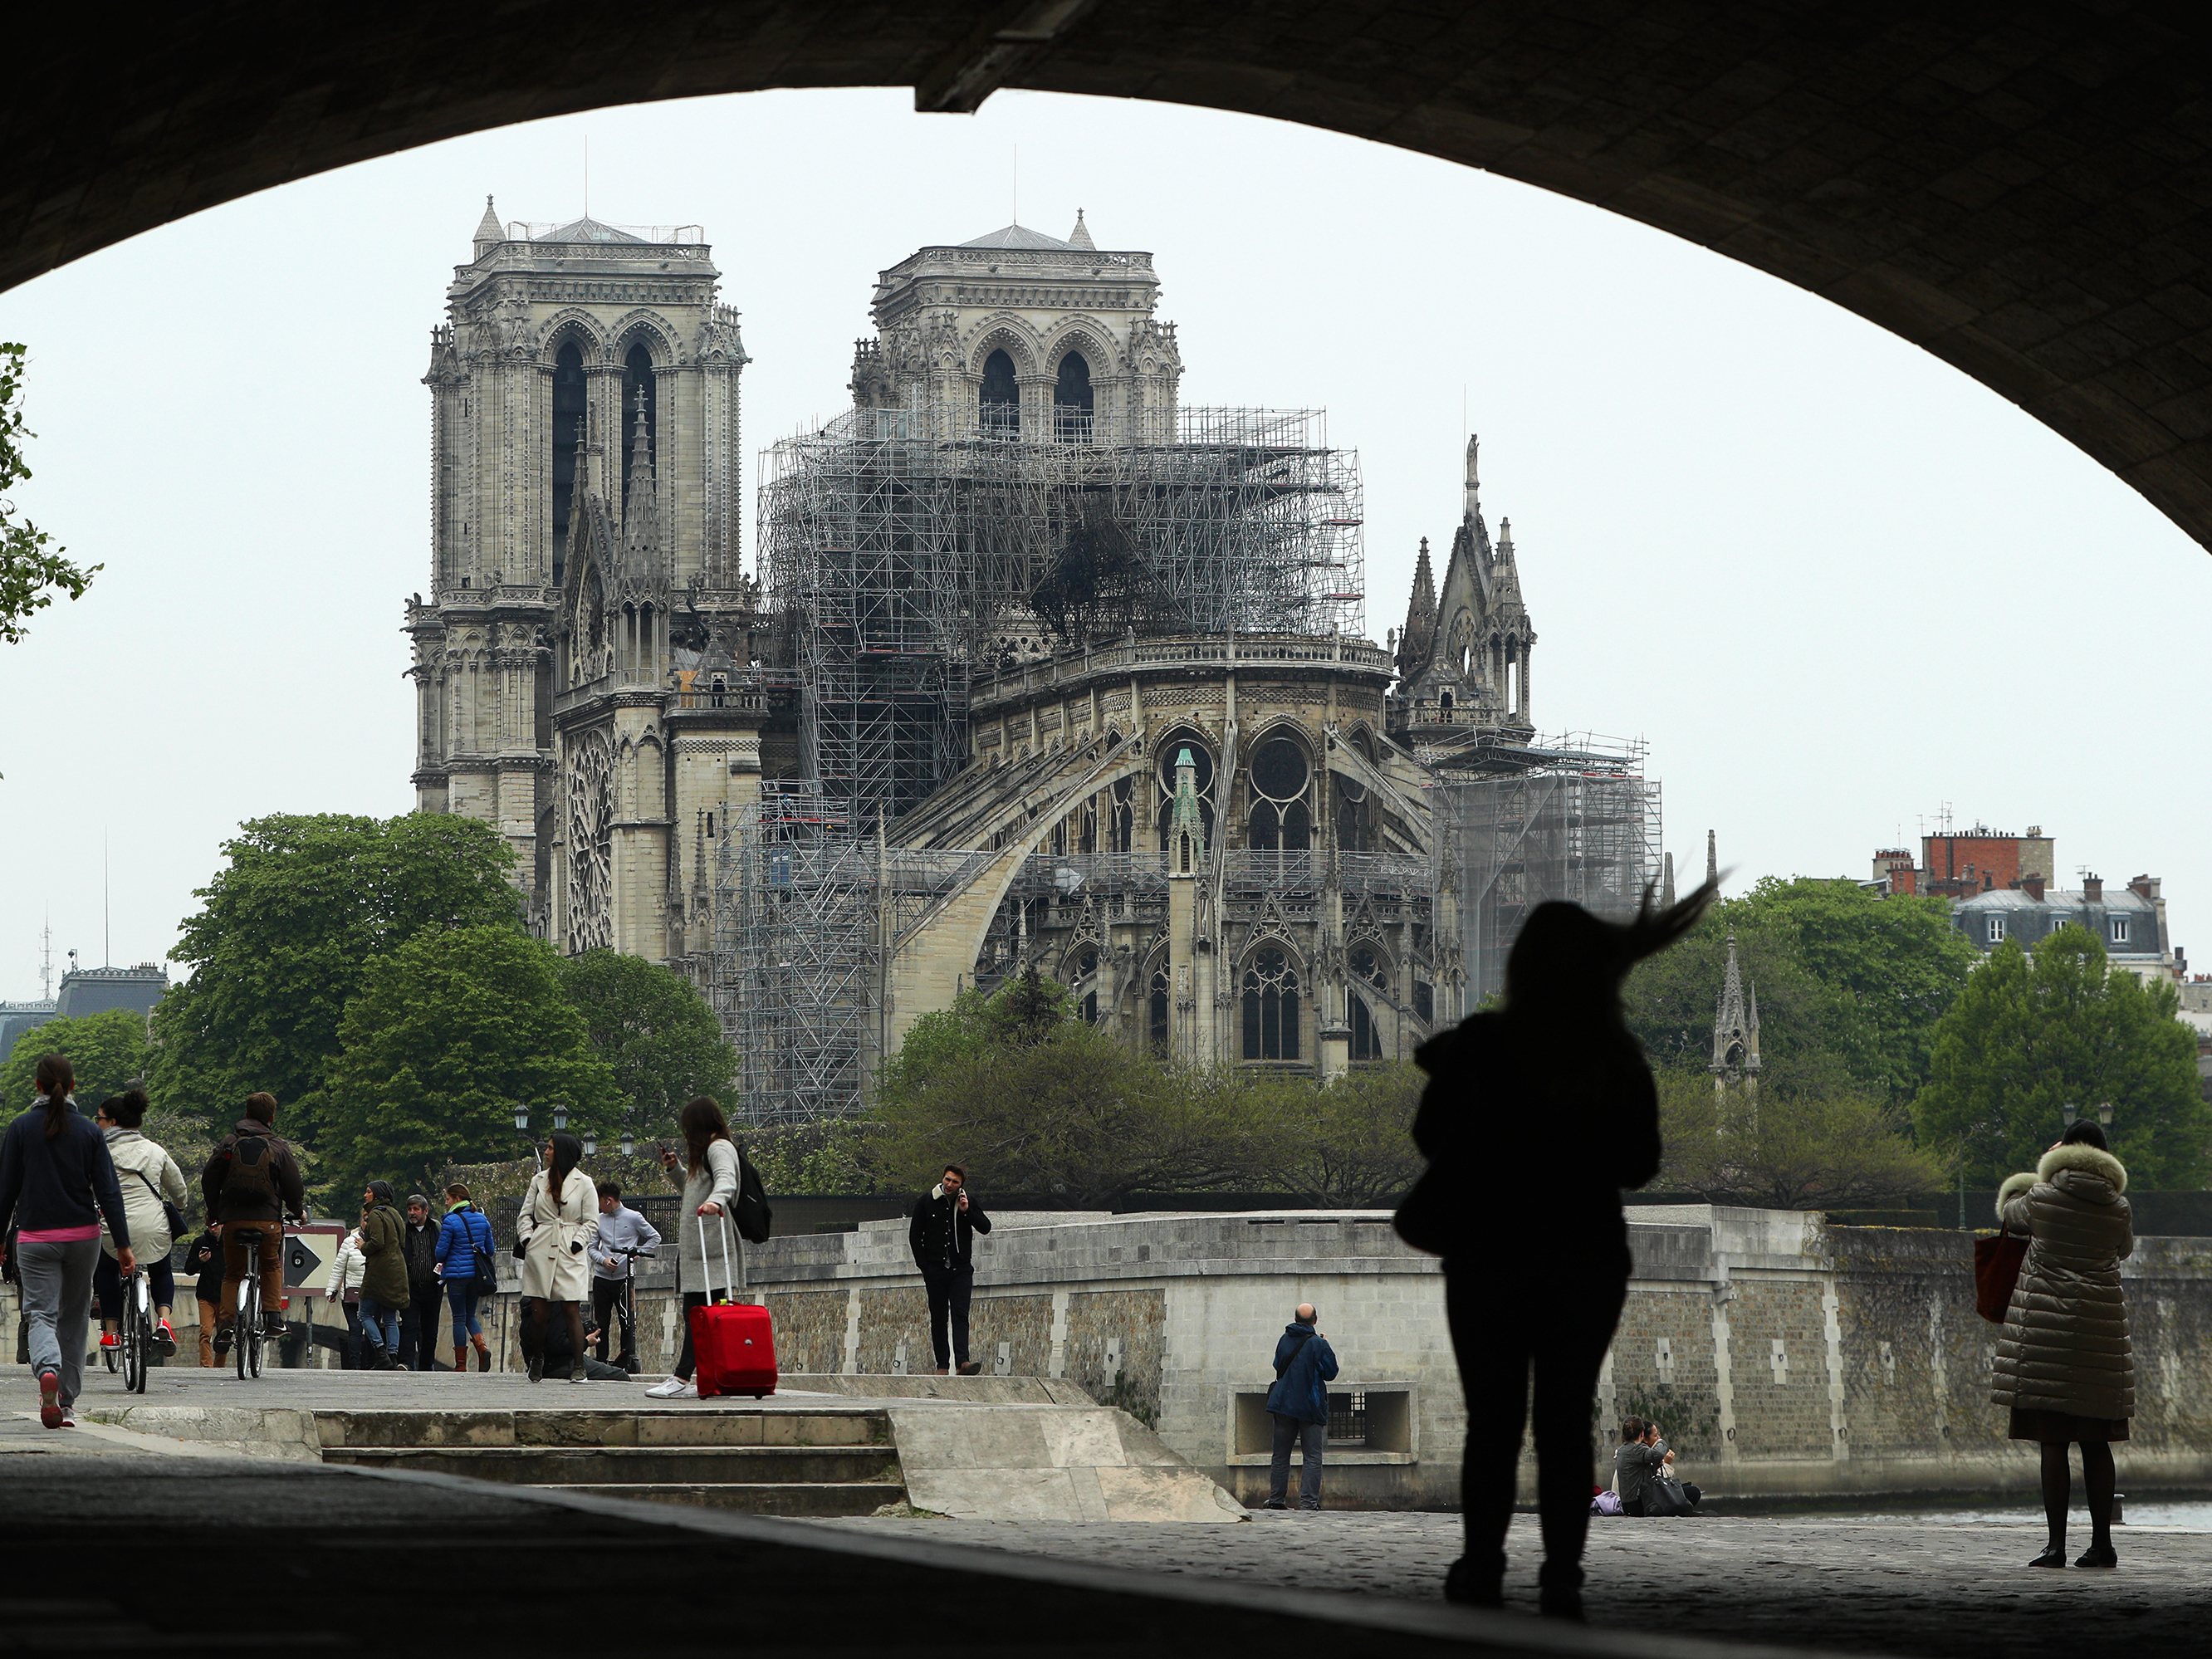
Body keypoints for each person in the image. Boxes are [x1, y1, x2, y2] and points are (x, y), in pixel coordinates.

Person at [1401, 880, 1714, 1618]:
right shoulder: (1612, 1058)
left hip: (1489, 1253)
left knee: (1494, 1422)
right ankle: (1562, 1576)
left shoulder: (1482, 1047)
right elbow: (1640, 1164)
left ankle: (1482, 1567)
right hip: (1583, 1257)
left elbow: (1426, 1138)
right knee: (1566, 1421)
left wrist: (1459, 1069)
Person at [1993, 1117, 2134, 1569]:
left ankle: (2055, 1546)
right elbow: (2124, 1249)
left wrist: (2042, 1172)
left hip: (2045, 1338)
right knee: (2097, 1444)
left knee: (2052, 1444)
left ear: (2064, 1151)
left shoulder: (2042, 1197)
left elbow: (2009, 1213)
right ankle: (2103, 1544)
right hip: (2099, 1338)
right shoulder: (2119, 1207)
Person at [0, 1055, 135, 1429]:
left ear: (38, 1087)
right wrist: (122, 1244)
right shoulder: (90, 1133)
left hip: (35, 1237)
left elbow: (5, 1192)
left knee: (41, 1312)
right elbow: (109, 1193)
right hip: (83, 1237)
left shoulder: (21, 1129)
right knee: (74, 1320)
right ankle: (67, 1402)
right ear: (73, 1087)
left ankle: (47, 1370)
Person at [645, 1097, 742, 1400]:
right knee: (704, 1313)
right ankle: (714, 1375)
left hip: (710, 1249)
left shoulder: (718, 1148)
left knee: (698, 1313)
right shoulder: (707, 1152)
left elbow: (727, 1179)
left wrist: (717, 1200)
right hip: (702, 1249)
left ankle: (682, 1376)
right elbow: (695, 1189)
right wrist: (676, 1170)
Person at [202, 1092, 306, 1358]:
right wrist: (298, 1212)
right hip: (268, 1221)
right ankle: (272, 1317)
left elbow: (209, 1178)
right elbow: (294, 1186)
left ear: (246, 1114)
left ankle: (225, 1324)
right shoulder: (279, 1147)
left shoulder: (229, 1143)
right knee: (270, 1264)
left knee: (233, 1274)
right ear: (271, 1117)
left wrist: (214, 1212)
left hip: (233, 1221)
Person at [91, 1088, 188, 1358]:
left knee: (107, 1269)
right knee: (161, 1269)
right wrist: (179, 1206)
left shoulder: (101, 1152)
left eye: (99, 1119)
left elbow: (86, 1188)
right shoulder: (155, 1151)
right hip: (153, 1227)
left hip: (115, 1228)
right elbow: (178, 1187)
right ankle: (164, 1320)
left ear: (112, 1123)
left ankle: (111, 1330)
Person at [516, 1132, 597, 1384]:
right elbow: (525, 1214)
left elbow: (592, 1220)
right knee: (540, 1312)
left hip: (570, 1247)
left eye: (550, 1148)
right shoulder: (538, 1180)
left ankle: (578, 1365)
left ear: (561, 1152)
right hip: (541, 1246)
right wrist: (528, 1239)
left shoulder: (585, 1183)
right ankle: (538, 1357)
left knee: (571, 1307)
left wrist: (577, 1242)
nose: (546, 1152)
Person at [908, 1163, 991, 1377]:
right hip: (935, 1270)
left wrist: (967, 1212)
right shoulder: (927, 1201)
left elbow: (985, 1227)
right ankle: (942, 1366)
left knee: (960, 1314)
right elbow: (915, 1236)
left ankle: (963, 1362)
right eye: (947, 1179)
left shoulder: (967, 1202)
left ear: (961, 1185)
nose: (950, 1185)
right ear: (942, 1178)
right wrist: (924, 1266)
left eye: (955, 1182)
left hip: (961, 1268)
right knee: (938, 1317)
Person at [1262, 1302, 1338, 1511]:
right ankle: (1308, 1504)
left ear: (1295, 1320)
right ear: (1315, 1321)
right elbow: (1331, 1373)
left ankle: (1276, 1500)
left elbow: (1278, 1365)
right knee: (1312, 1457)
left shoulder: (1284, 1339)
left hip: (1283, 1405)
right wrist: (1324, 1346)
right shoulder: (1319, 1344)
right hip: (1310, 1406)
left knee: (1280, 1455)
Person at [588, 1179, 660, 1373]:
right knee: (601, 1321)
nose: (598, 1205)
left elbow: (655, 1237)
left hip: (623, 1279)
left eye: (600, 1201)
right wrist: (603, 1260)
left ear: (609, 1200)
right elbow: (591, 1247)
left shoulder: (633, 1217)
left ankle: (625, 1359)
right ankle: (601, 1360)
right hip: (602, 1278)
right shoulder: (598, 1219)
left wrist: (637, 1253)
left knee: (626, 1320)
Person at [435, 1182, 496, 1373]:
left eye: (448, 1199)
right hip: (477, 1276)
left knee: (459, 1317)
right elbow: (490, 1250)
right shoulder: (482, 1219)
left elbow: (440, 1253)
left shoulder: (451, 1221)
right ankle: (482, 1347)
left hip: (457, 1275)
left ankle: (460, 1364)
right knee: (471, 1314)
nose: (446, 1203)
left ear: (457, 1199)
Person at [355, 1180, 410, 1370]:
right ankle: (393, 1357)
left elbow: (377, 1242)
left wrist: (364, 1247)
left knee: (364, 1313)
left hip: (380, 1269)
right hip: (397, 1267)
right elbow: (402, 1243)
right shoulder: (395, 1214)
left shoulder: (376, 1215)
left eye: (368, 1192)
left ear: (377, 1195)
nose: (365, 1195)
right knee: (390, 1316)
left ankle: (380, 1353)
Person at [1614, 1417, 1701, 1515]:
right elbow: (1658, 1453)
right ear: (1642, 1435)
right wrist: (1661, 1442)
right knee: (1693, 1492)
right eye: (1655, 1435)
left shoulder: (1623, 1450)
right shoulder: (1638, 1450)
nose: (1658, 1437)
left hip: (1629, 1504)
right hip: (1639, 1504)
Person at [396, 1194, 443, 1371]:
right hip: (411, 1287)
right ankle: (406, 1362)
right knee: (409, 1326)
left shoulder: (436, 1229)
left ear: (425, 1211)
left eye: (416, 1209)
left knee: (430, 1331)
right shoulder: (404, 1231)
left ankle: (426, 1365)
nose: (412, 1213)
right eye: (409, 1209)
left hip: (432, 1287)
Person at [183, 1219, 225, 1366]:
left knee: (223, 1334)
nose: (213, 1229)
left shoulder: (229, 1243)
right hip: (205, 1294)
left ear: (222, 1224)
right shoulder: (200, 1242)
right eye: (210, 1226)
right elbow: (188, 1269)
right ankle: (206, 1365)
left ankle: (220, 1366)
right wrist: (200, 1260)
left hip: (224, 1296)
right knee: (205, 1332)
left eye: (216, 1225)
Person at [325, 1225, 367, 1368]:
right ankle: (355, 1363)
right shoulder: (349, 1242)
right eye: (365, 1219)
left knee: (370, 1329)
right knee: (355, 1328)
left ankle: (369, 1362)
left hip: (373, 1295)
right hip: (351, 1295)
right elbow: (338, 1268)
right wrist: (331, 1290)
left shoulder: (382, 1242)